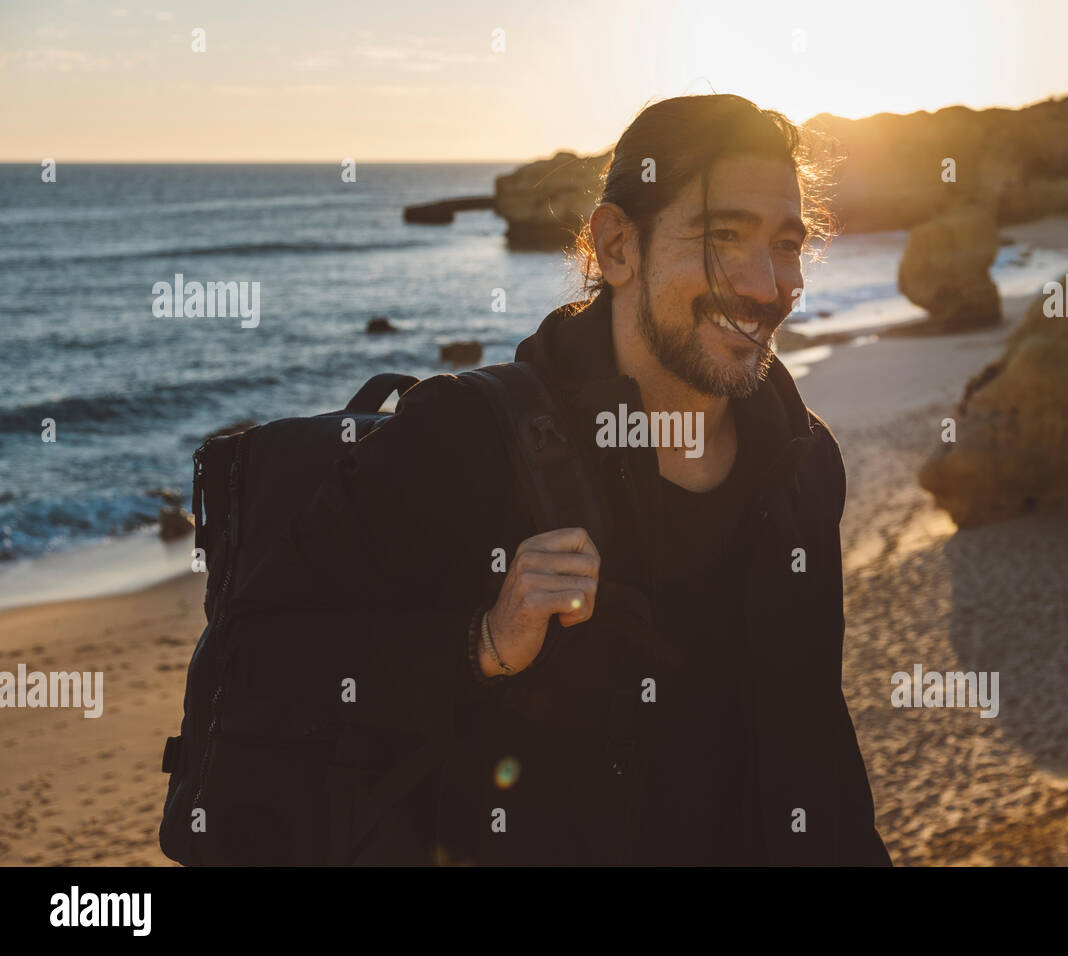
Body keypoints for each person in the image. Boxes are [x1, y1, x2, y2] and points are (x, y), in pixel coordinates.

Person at [236, 93, 892, 866]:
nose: (765, 284)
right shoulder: (466, 438)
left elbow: (817, 739)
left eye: (787, 244)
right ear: (617, 247)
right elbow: (264, 658)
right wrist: (482, 644)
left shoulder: (803, 462)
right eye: (723, 238)